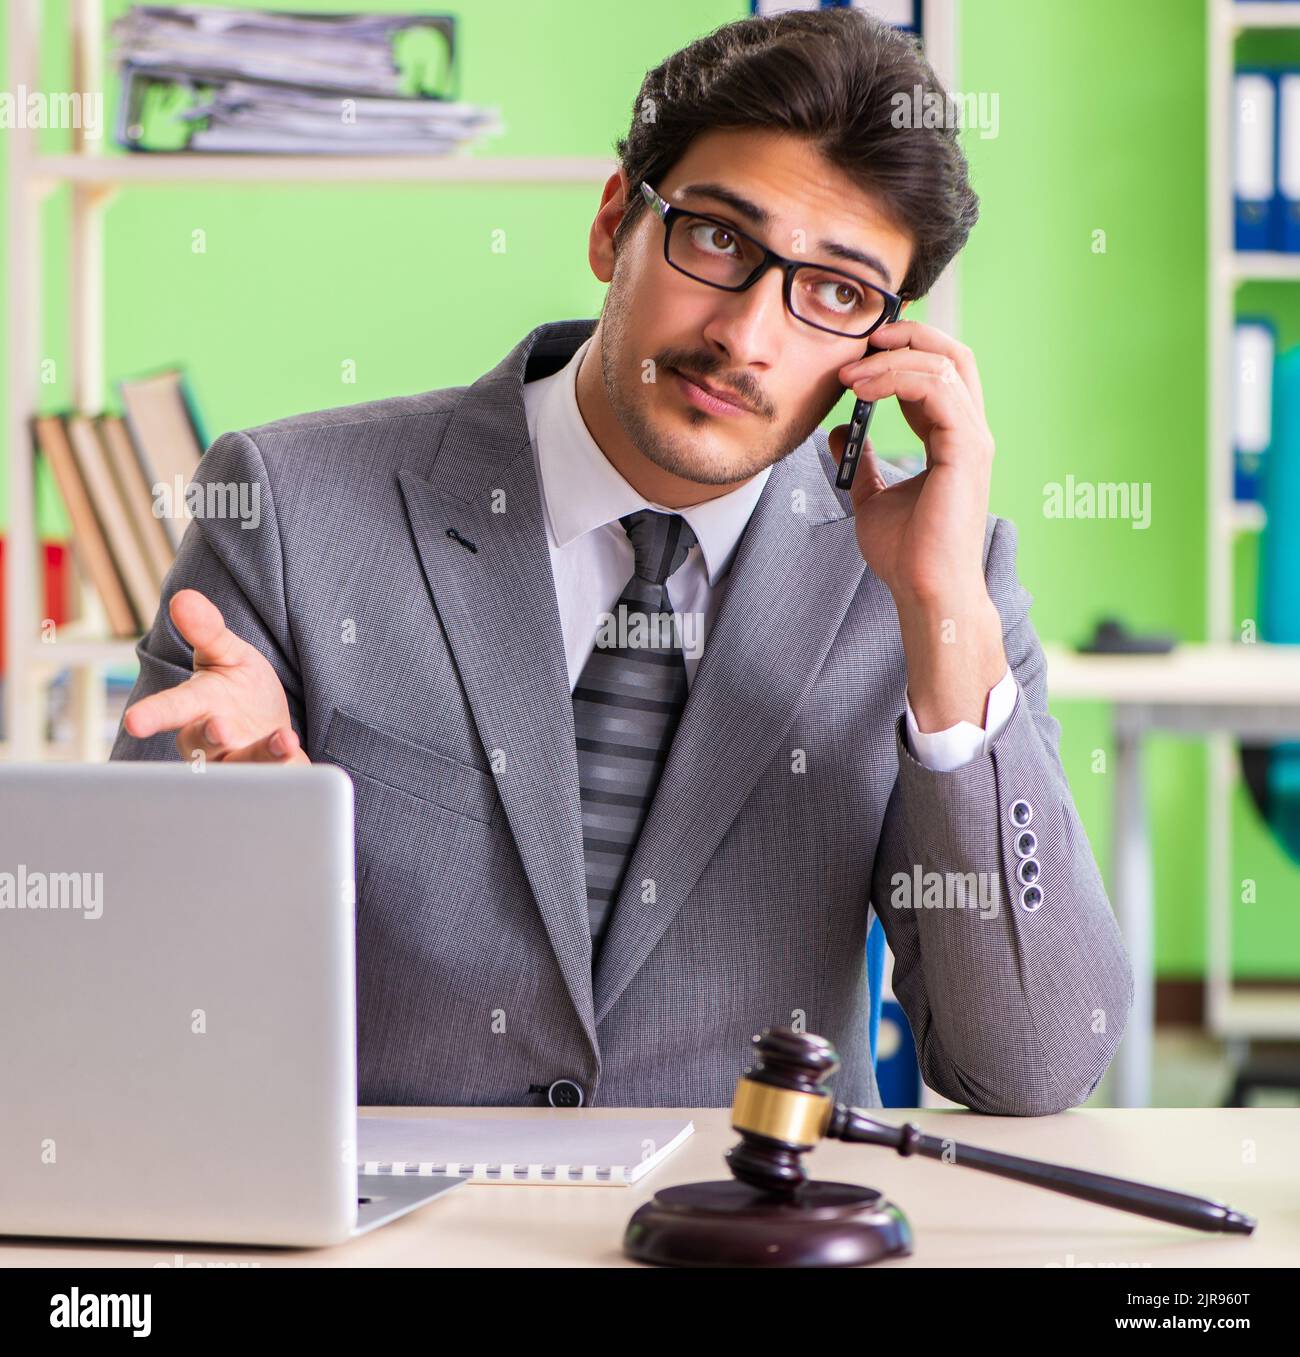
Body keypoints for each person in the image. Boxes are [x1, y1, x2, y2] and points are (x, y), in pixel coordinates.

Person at [112, 7, 1132, 1112]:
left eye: (836, 292)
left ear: (884, 346)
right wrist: (238, 845)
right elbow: (129, 1008)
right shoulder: (288, 509)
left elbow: (1030, 1065)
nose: (746, 337)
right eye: (720, 239)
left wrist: (942, 613)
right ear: (614, 225)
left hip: (742, 1204)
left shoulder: (937, 582)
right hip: (391, 1206)